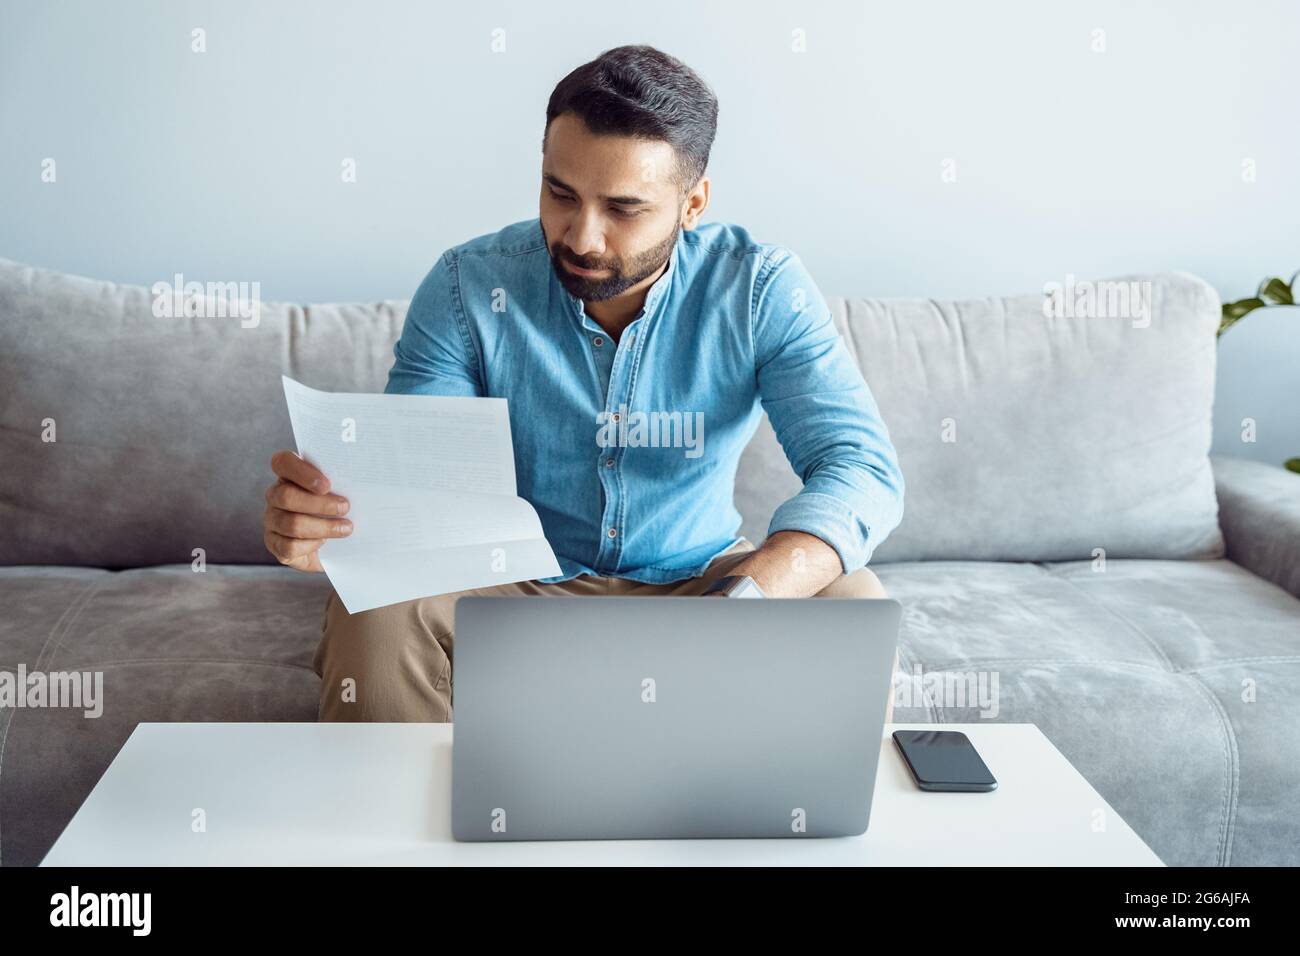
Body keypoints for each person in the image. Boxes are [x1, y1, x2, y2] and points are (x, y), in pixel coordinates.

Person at [261, 44, 905, 723]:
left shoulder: (759, 288)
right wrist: (331, 530)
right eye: (560, 194)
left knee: (854, 607)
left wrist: (748, 598)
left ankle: (785, 823)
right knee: (379, 611)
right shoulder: (468, 285)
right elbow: (418, 491)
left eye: (624, 208)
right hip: (510, 584)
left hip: (704, 582)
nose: (582, 237)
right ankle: (393, 822)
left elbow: (859, 465)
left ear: (692, 205)